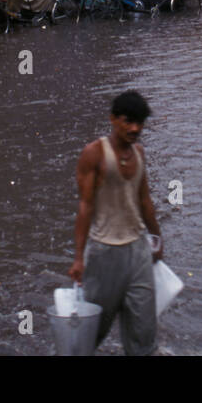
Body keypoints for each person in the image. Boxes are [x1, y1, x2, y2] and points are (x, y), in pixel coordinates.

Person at [68, 90, 163, 356]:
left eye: (140, 122)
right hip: (103, 252)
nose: (135, 128)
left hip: (138, 251)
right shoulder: (94, 154)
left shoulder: (140, 154)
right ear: (112, 119)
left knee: (143, 332)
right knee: (91, 330)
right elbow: (85, 206)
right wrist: (78, 258)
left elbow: (144, 201)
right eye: (128, 121)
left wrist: (157, 239)